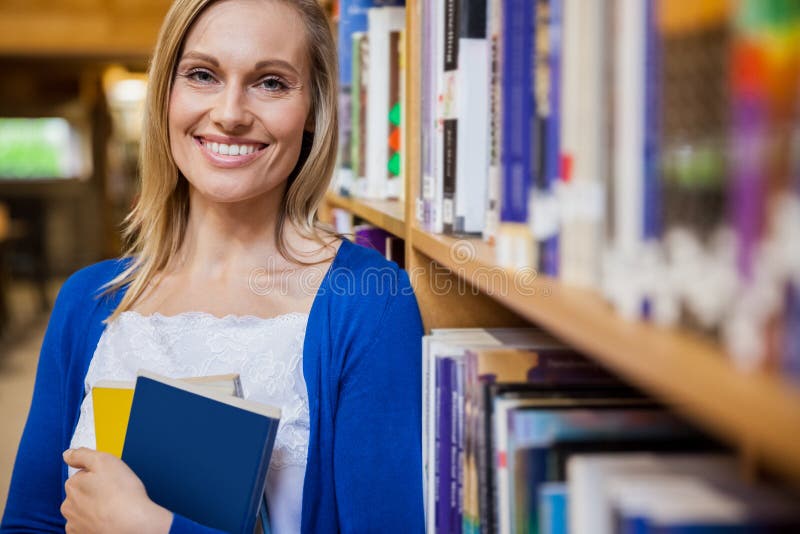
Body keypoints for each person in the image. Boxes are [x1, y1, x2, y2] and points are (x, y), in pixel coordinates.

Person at [0, 0, 424, 532]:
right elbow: (29, 524)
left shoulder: (370, 301)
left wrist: (151, 528)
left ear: (315, 108)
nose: (229, 112)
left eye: (270, 82)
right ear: (166, 95)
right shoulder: (86, 301)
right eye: (202, 74)